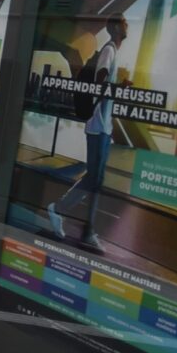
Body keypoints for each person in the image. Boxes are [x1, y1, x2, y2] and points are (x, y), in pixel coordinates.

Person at [48, 14, 127, 247]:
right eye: (123, 21)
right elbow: (100, 81)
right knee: (95, 178)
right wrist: (115, 88)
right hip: (97, 125)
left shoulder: (112, 50)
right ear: (114, 27)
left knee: (96, 179)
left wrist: (118, 89)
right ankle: (63, 211)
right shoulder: (109, 50)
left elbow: (104, 85)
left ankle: (86, 229)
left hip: (104, 126)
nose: (127, 24)